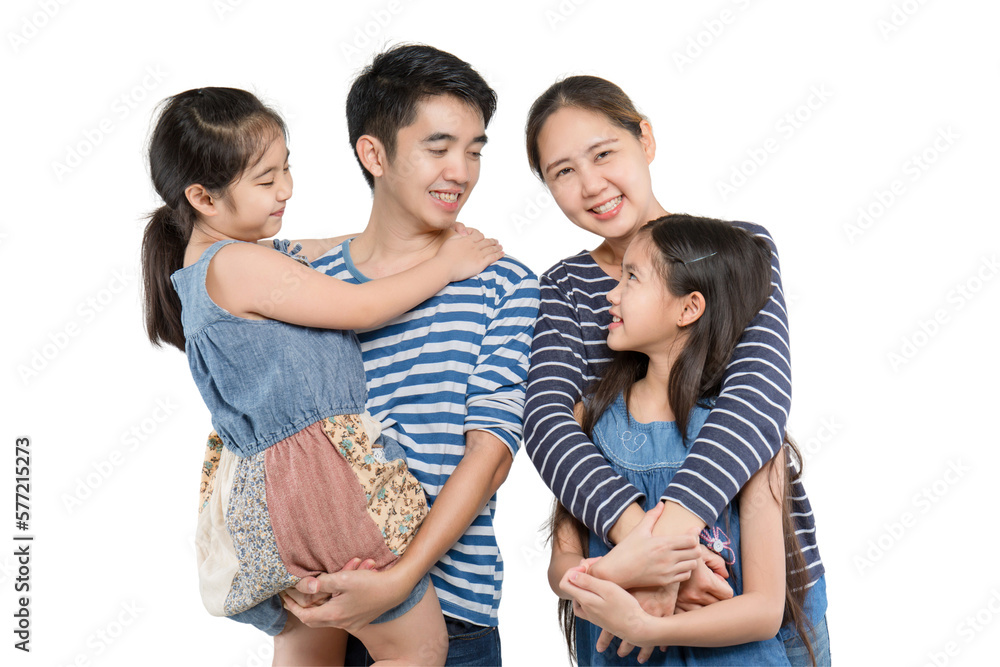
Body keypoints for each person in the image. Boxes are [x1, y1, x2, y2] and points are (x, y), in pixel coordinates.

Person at [141, 86, 503, 665]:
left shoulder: (209, 265)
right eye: (266, 180)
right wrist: (444, 264)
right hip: (325, 485)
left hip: (273, 502)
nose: (286, 189)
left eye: (286, 169)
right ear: (203, 197)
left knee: (309, 655)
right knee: (419, 649)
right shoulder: (240, 264)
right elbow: (362, 308)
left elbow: (316, 248)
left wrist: (387, 241)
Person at [523, 76, 828, 665]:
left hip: (752, 581)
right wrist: (648, 557)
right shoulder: (565, 288)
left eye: (604, 153)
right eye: (562, 171)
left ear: (645, 139)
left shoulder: (736, 250)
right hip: (623, 583)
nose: (591, 184)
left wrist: (667, 548)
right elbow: (548, 425)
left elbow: (757, 401)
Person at [279, 45, 540, 665]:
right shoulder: (302, 284)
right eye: (438, 147)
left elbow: (491, 455)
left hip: (449, 614)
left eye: (474, 151)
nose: (461, 171)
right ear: (374, 155)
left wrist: (400, 579)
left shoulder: (503, 283)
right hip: (317, 607)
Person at [551, 213, 816, 665]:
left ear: (689, 308)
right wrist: (621, 570)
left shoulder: (745, 436)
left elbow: (765, 610)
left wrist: (647, 626)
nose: (611, 294)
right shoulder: (588, 420)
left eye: (632, 277)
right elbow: (561, 564)